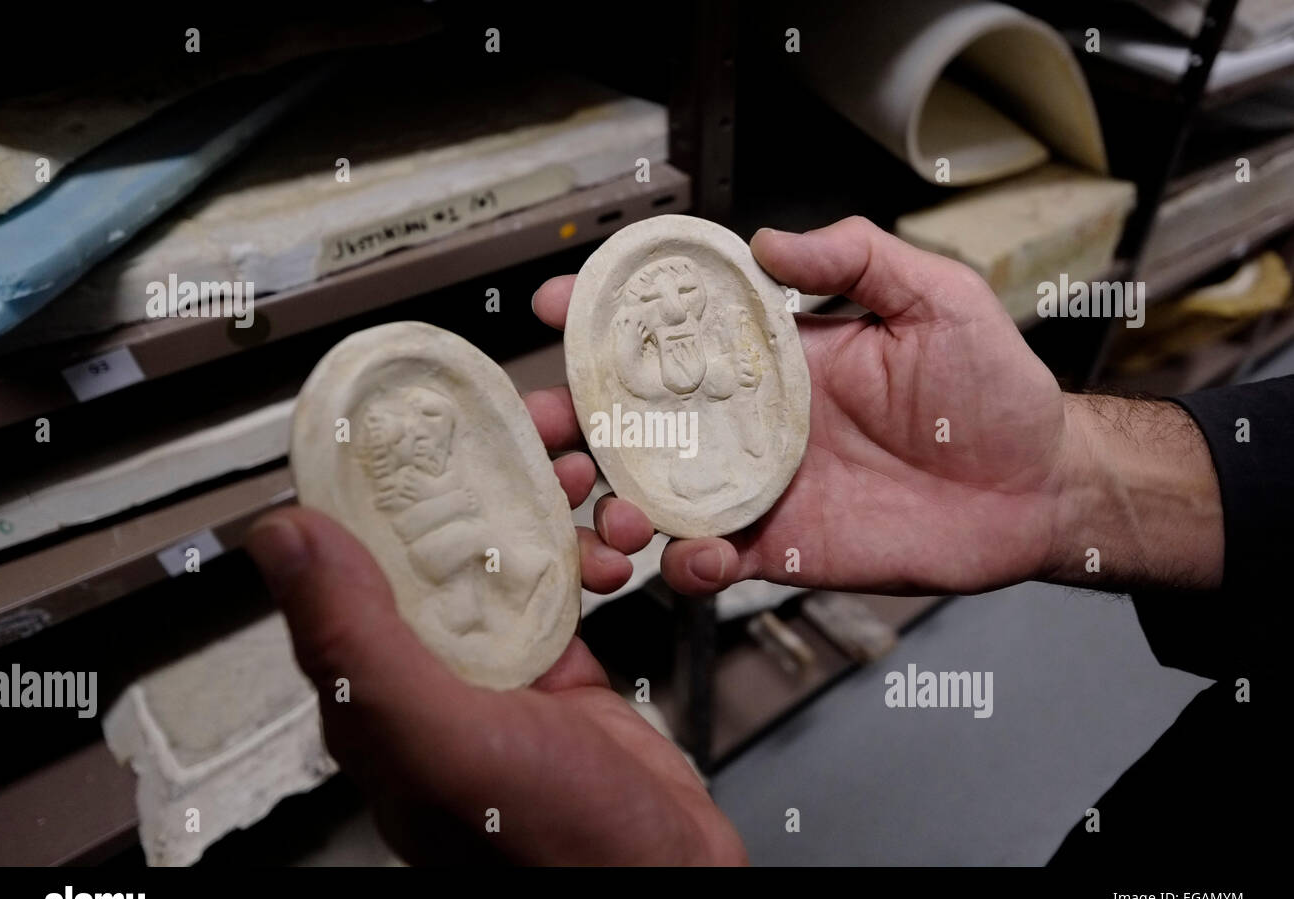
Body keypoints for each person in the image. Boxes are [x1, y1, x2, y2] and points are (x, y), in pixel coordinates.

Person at [246, 217, 1279, 866]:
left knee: (545, 543)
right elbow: (656, 390)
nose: (669, 299)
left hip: (706, 440)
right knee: (520, 545)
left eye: (675, 292)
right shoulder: (639, 348)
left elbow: (705, 382)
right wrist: (1062, 472)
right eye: (656, 296)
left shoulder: (692, 332)